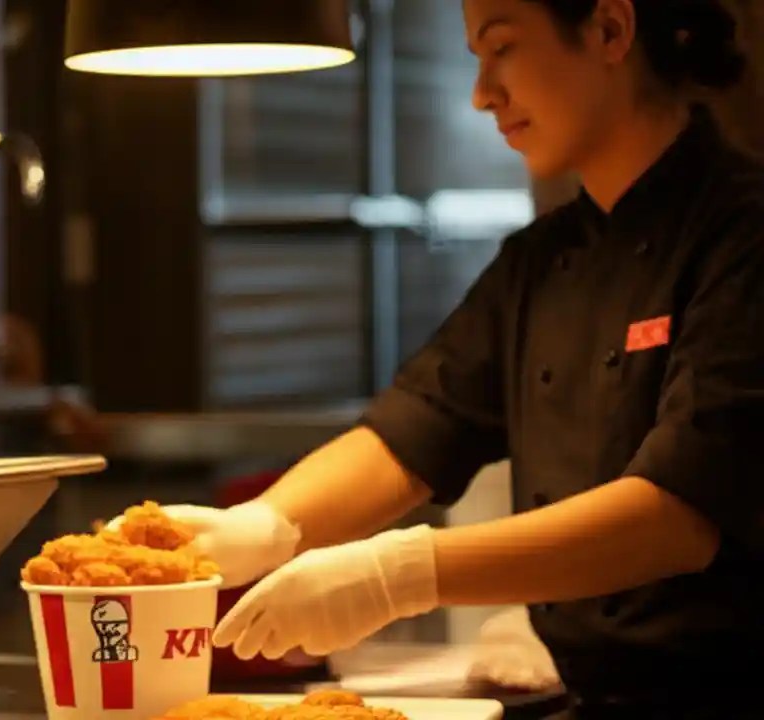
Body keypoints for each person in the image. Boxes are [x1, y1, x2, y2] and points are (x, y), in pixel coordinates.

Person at [123, 0, 763, 715]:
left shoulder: (743, 235)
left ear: (610, 30)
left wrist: (398, 574)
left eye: (502, 48)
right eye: (475, 59)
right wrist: (268, 526)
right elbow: (417, 425)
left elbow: (676, 515)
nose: (482, 93)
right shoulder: (541, 261)